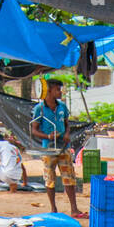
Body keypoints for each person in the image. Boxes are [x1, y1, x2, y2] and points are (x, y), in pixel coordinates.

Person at [28, 78, 85, 218]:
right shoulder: (39, 109)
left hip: (63, 147)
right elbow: (34, 130)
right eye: (58, 89)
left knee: (69, 177)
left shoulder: (62, 107)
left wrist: (66, 134)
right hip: (48, 148)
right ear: (49, 90)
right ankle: (53, 208)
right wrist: (47, 136)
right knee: (50, 178)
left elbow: (67, 124)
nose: (60, 92)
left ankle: (74, 209)